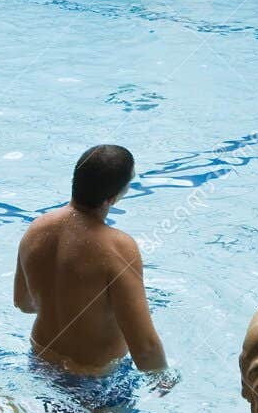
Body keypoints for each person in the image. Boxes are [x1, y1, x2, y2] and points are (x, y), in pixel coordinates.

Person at [13, 145, 170, 381]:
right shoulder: (117, 247)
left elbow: (23, 303)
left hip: (40, 366)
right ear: (113, 198)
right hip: (95, 381)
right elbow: (145, 349)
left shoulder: (37, 229)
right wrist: (164, 379)